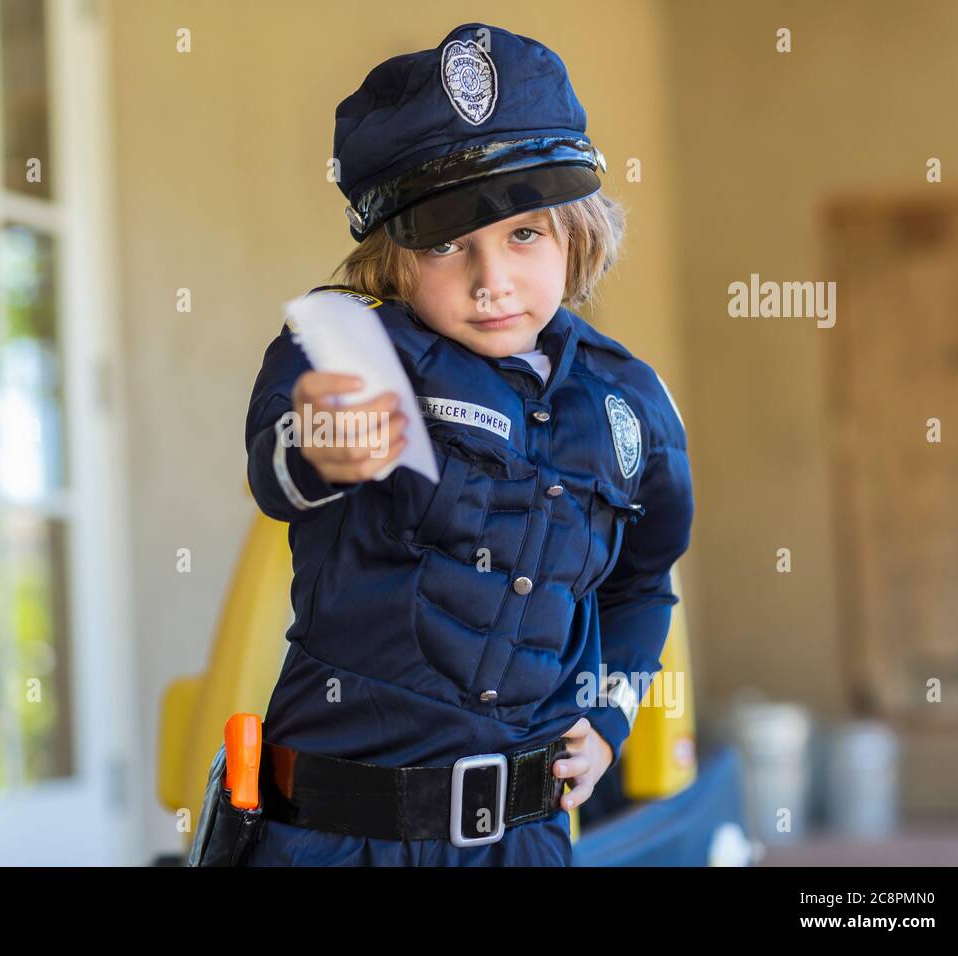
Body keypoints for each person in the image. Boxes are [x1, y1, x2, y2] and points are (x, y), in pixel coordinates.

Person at [240, 21, 694, 866]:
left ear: (577, 233)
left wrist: (607, 717)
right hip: (334, 836)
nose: (492, 281)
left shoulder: (631, 400)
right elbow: (279, 463)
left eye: (524, 234)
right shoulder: (350, 346)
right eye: (448, 245)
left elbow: (642, 585)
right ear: (396, 257)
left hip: (525, 841)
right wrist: (320, 437)